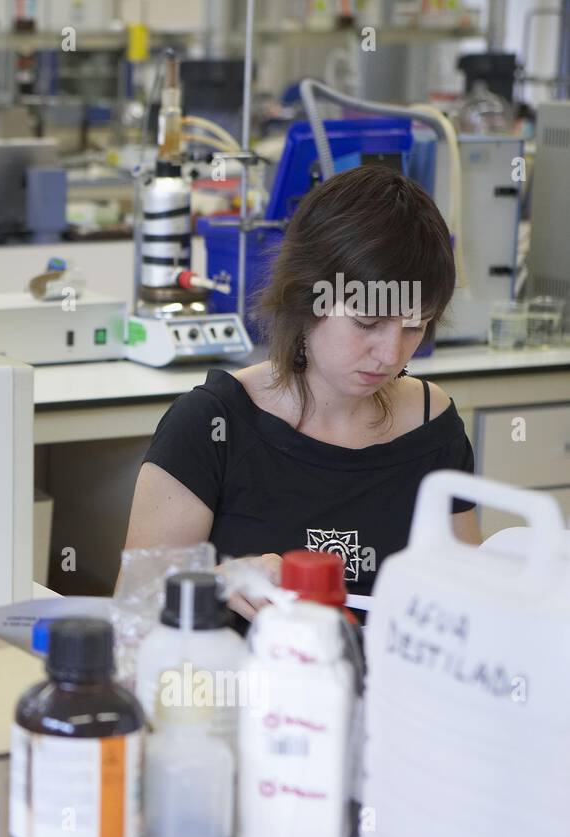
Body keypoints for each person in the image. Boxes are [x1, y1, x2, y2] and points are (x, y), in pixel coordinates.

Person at [125, 164, 480, 621]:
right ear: (306, 298)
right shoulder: (212, 426)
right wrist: (215, 583)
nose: (390, 353)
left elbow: (472, 599)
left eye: (415, 326)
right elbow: (133, 610)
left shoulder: (432, 427)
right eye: (367, 323)